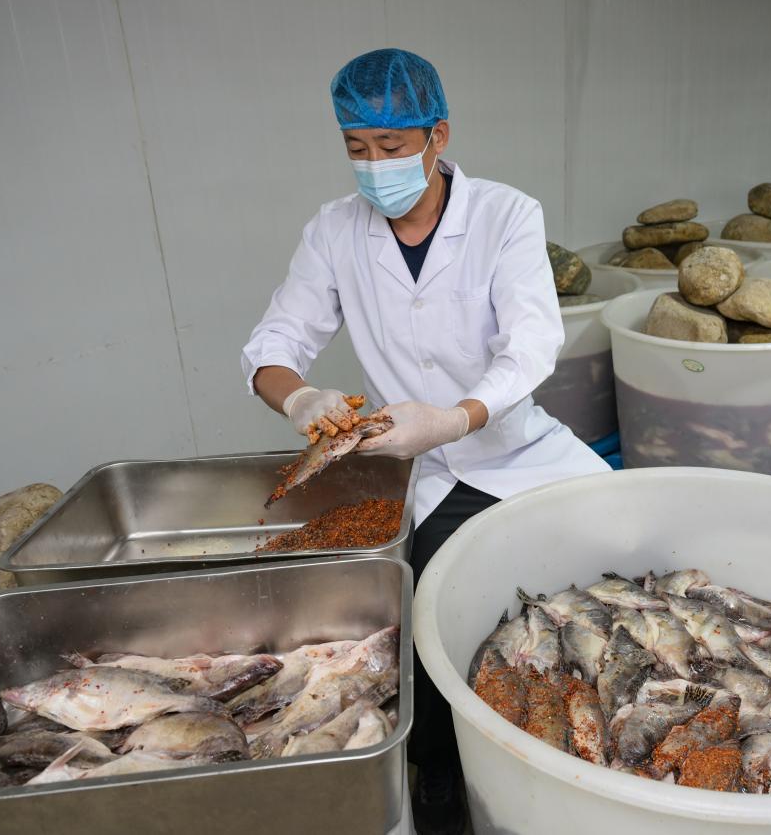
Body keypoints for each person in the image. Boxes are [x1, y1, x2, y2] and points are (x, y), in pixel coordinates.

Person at [241, 48, 608, 834]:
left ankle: (579, 760)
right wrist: (299, 395)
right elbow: (273, 342)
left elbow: (531, 347)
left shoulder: (506, 215)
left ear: (437, 135)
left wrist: (457, 416)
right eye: (357, 148)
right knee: (436, 622)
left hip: (517, 448)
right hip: (416, 466)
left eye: (392, 146)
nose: (374, 167)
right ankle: (441, 778)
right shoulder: (335, 230)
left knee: (600, 577)